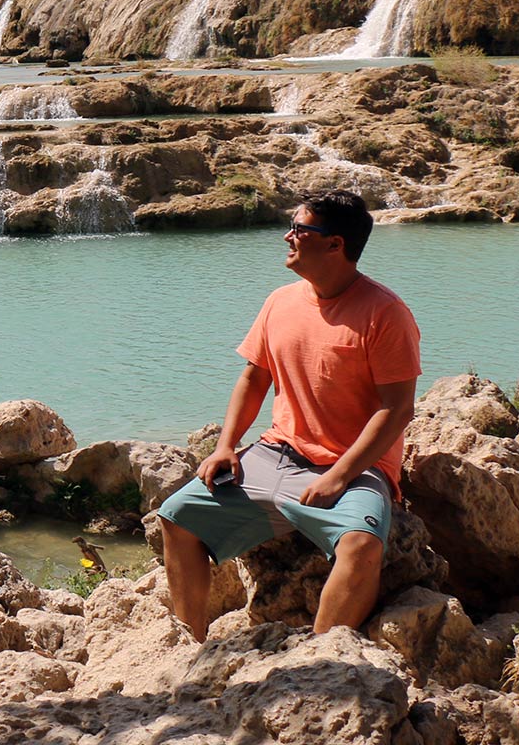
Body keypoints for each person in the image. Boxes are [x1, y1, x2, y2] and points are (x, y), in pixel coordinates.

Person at [156, 189, 421, 641]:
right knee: (176, 517)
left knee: (361, 546)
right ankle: (191, 644)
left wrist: (339, 476)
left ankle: (318, 659)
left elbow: (396, 409)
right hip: (277, 453)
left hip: (355, 469)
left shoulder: (385, 313)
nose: (287, 236)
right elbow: (253, 379)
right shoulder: (280, 301)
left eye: (300, 229)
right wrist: (225, 446)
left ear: (335, 244)